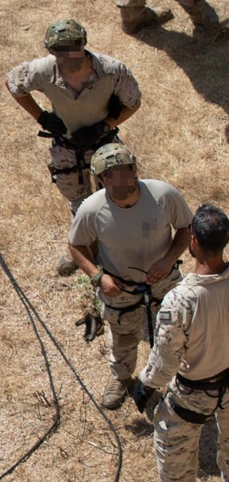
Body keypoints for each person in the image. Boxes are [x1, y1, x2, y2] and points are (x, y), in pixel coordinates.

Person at [5, 18, 141, 274]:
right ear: (51, 52)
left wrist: (106, 126)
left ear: (84, 43)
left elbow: (133, 102)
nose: (68, 54)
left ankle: (118, 251)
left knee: (118, 199)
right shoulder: (43, 71)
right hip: (67, 148)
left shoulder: (112, 71)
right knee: (78, 202)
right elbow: (13, 84)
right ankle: (84, 251)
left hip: (105, 146)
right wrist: (41, 117)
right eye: (60, 49)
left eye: (73, 46)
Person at [67, 145, 192, 408]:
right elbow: (75, 246)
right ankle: (122, 378)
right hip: (119, 287)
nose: (118, 180)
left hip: (165, 280)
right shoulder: (92, 209)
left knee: (183, 330)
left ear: (135, 170)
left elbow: (185, 228)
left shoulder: (163, 195)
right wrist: (98, 277)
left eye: (124, 172)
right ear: (100, 180)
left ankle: (187, 377)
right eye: (110, 176)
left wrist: (168, 260)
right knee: (123, 335)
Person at [130, 205, 229, 482]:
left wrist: (146, 384)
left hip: (194, 391)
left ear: (194, 243)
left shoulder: (180, 301)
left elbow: (166, 360)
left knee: (172, 446)